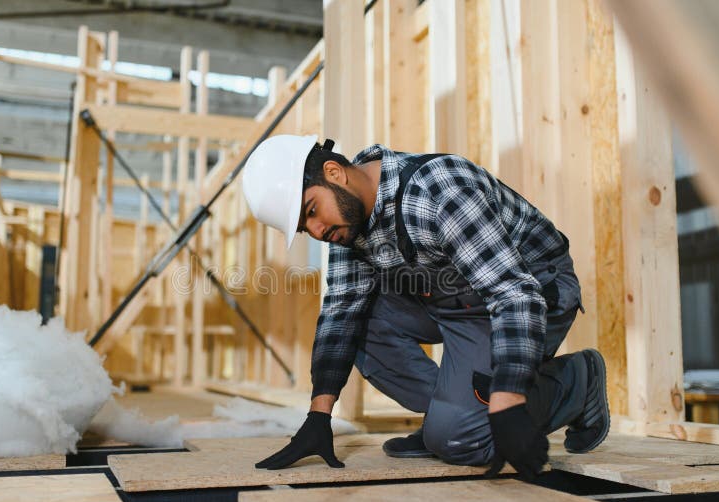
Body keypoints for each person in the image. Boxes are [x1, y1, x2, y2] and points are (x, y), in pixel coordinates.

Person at [241, 134, 609, 479]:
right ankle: (449, 416)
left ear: (334, 173)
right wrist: (318, 416)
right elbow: (341, 314)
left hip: (529, 290)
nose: (318, 230)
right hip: (455, 298)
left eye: (311, 210)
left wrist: (509, 401)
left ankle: (576, 380)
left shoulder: (436, 189)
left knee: (464, 440)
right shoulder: (346, 226)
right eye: (307, 227)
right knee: (357, 319)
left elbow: (513, 293)